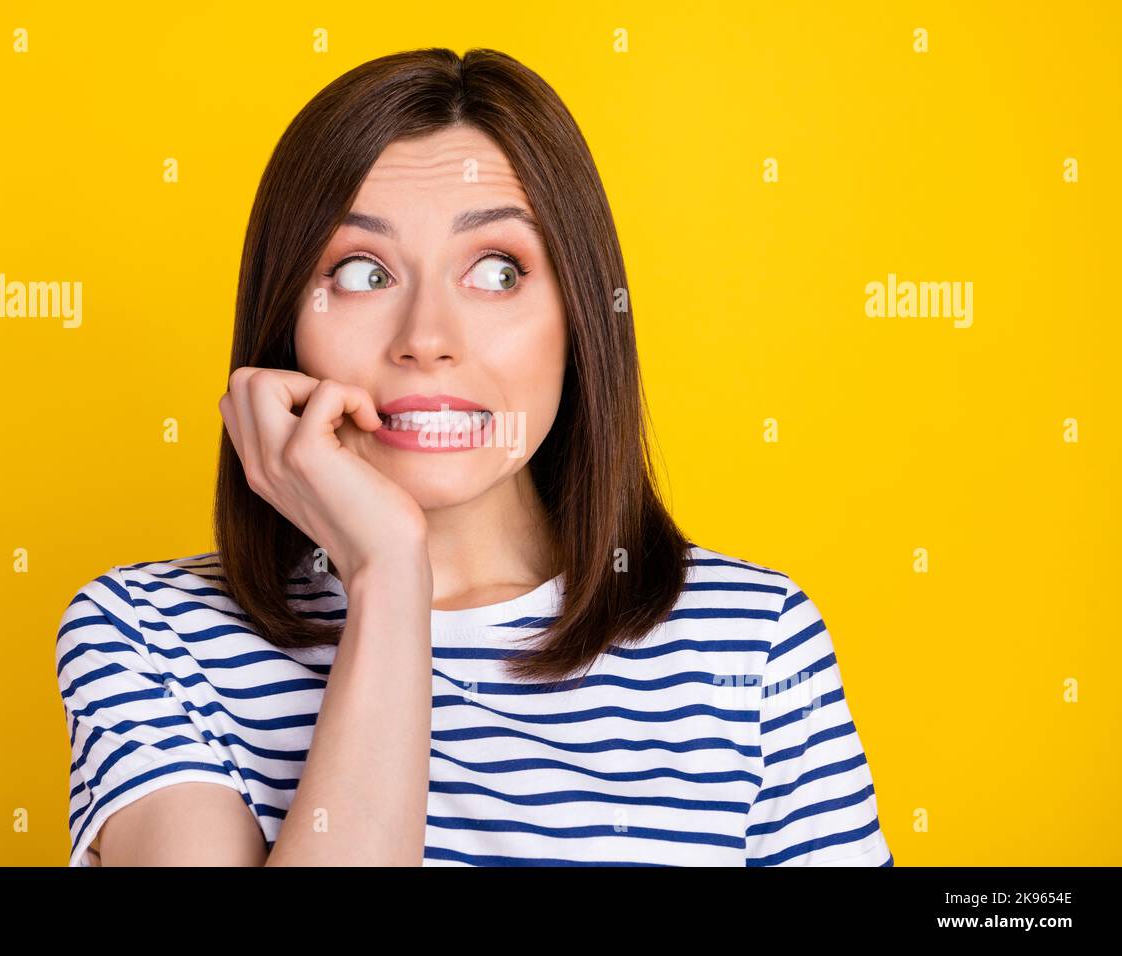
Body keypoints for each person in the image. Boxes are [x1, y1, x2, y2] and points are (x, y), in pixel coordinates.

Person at [55, 47, 892, 867]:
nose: (427, 340)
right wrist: (387, 574)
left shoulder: (750, 643)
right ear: (285, 322)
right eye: (360, 272)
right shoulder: (149, 636)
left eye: (497, 271)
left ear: (580, 319)